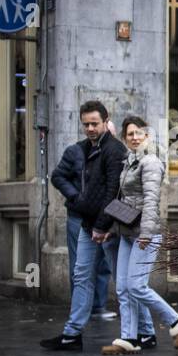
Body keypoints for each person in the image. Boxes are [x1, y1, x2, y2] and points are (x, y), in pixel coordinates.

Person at [40, 103, 129, 352]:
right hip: (88, 223)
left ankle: (141, 331)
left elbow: (113, 192)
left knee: (122, 280)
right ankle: (72, 333)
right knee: (81, 275)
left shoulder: (113, 150)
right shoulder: (83, 148)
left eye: (94, 123)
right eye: (86, 124)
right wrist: (78, 200)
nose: (90, 128)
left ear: (105, 121)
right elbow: (65, 179)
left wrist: (102, 226)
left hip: (107, 225)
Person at [101, 117, 178, 356]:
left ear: (147, 136)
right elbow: (125, 199)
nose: (134, 137)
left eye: (139, 133)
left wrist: (147, 232)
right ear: (124, 138)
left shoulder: (150, 161)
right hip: (127, 232)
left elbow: (151, 200)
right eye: (130, 134)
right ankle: (129, 338)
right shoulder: (129, 161)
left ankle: (176, 321)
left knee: (136, 286)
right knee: (122, 287)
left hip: (144, 233)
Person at [52, 136, 114, 320]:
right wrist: (76, 196)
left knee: (103, 264)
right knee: (80, 266)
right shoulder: (75, 151)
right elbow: (57, 176)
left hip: (103, 218)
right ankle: (79, 310)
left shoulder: (112, 154)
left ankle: (98, 307)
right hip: (79, 218)